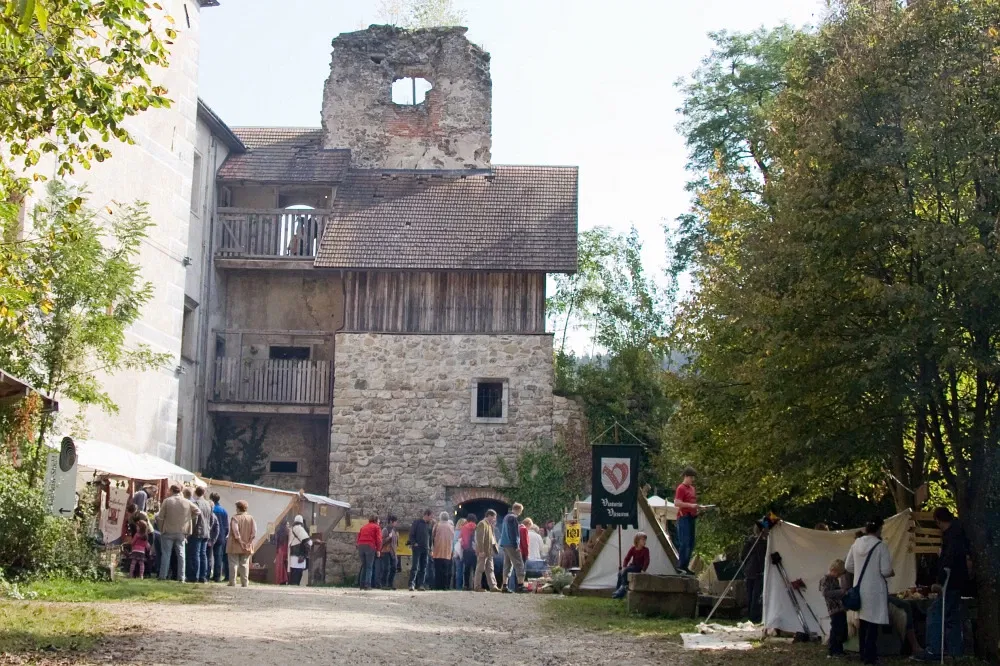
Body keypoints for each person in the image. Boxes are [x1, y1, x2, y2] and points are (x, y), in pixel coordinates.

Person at [911, 507, 969, 662]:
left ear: (937, 520)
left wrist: (941, 582)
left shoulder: (952, 537)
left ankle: (933, 650)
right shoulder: (958, 532)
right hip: (958, 581)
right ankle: (955, 651)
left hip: (950, 581)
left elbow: (948, 560)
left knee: (935, 612)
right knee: (952, 616)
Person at [844, 517, 894, 665]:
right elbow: (885, 570)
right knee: (873, 623)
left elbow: (848, 566)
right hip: (875, 589)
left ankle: (863, 654)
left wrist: (860, 571)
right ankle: (870, 656)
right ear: (879, 529)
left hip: (860, 589)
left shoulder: (856, 543)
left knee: (863, 622)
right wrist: (890, 572)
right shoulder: (880, 546)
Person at [155, 484, 200, 582]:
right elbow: (197, 511)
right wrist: (188, 519)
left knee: (166, 554)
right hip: (181, 531)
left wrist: (161, 527)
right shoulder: (187, 502)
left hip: (168, 530)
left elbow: (160, 516)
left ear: (171, 491)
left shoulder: (167, 501)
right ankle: (181, 577)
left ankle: (163, 576)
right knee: (181, 555)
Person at [674, 467, 703, 575]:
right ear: (685, 476)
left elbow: (692, 502)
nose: (692, 479)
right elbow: (677, 502)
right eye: (690, 477)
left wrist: (697, 508)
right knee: (684, 542)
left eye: (693, 477)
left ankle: (685, 565)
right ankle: (680, 565)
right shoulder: (681, 488)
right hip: (683, 517)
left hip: (692, 516)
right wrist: (691, 505)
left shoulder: (692, 489)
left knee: (691, 543)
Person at [740, 522, 769, 623]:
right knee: (755, 595)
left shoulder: (750, 541)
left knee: (752, 595)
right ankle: (754, 617)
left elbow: (743, 556)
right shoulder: (761, 543)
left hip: (750, 571)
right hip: (757, 571)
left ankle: (752, 616)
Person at [820, 558, 849, 657]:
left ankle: (839, 649)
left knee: (841, 629)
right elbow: (825, 593)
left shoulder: (835, 579)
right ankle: (833, 650)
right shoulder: (826, 579)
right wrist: (841, 592)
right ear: (834, 570)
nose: (839, 576)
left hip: (840, 607)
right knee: (836, 629)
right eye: (839, 573)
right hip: (833, 608)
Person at [226, 500, 256, 588]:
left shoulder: (235, 518)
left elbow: (235, 531)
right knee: (245, 563)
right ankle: (245, 582)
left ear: (238, 508)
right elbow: (254, 532)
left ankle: (232, 581)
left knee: (233, 563)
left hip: (235, 544)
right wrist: (249, 542)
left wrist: (240, 541)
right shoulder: (251, 518)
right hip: (247, 544)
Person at [612, 532, 650, 599]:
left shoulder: (645, 550)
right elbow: (627, 558)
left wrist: (643, 570)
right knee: (620, 573)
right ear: (637, 540)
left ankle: (624, 587)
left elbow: (647, 561)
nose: (644, 541)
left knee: (626, 570)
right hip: (633, 566)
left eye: (645, 540)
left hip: (639, 568)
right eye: (643, 540)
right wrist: (624, 566)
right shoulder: (633, 548)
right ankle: (618, 591)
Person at [499, 502, 526, 593]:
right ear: (518, 510)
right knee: (519, 564)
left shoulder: (506, 517)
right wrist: (516, 545)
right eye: (521, 511)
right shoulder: (513, 518)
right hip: (511, 544)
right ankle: (521, 586)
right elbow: (513, 533)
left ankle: (504, 586)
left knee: (507, 564)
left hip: (505, 544)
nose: (520, 513)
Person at [474, 509, 500, 591]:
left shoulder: (489, 525)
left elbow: (492, 538)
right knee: (480, 569)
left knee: (490, 569)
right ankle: (477, 587)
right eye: (493, 517)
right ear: (489, 516)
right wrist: (481, 551)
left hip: (489, 551)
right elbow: (479, 539)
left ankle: (493, 586)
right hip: (484, 551)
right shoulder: (482, 524)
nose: (494, 519)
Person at [191, 486, 213, 583]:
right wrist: (209, 528)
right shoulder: (208, 504)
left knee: (195, 554)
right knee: (203, 554)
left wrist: (191, 529)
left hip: (197, 531)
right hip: (206, 531)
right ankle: (203, 576)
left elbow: (194, 519)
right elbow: (211, 519)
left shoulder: (195, 503)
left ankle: (195, 575)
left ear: (195, 493)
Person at [408, 509, 433, 591]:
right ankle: (411, 584)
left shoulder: (429, 525)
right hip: (417, 548)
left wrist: (430, 548)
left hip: (426, 549)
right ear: (427, 515)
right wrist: (414, 543)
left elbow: (430, 537)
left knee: (423, 567)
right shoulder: (417, 522)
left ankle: (421, 585)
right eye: (431, 516)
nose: (431, 518)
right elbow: (411, 533)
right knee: (415, 566)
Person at [356, 514, 382, 591]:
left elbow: (359, 537)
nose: (379, 522)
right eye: (379, 520)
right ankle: (367, 585)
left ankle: (361, 584)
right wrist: (378, 550)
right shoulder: (377, 527)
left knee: (364, 565)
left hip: (361, 546)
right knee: (369, 566)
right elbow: (379, 540)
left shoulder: (363, 527)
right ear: (376, 520)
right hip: (370, 546)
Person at [432, 511, 455, 591]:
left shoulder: (437, 525)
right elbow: (453, 538)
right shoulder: (451, 527)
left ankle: (438, 586)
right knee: (446, 571)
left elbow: (433, 535)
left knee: (438, 571)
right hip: (447, 551)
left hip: (437, 551)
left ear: (440, 517)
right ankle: (446, 586)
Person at [210, 492, 229, 582]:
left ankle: (206, 574)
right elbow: (226, 526)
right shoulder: (223, 510)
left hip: (211, 535)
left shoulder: (212, 509)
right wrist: (224, 535)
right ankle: (217, 576)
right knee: (218, 557)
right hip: (221, 536)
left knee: (208, 556)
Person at [289, 515, 311, 586]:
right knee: (297, 573)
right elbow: (307, 541)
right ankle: (295, 585)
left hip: (293, 554)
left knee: (294, 572)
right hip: (299, 554)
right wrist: (312, 542)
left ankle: (293, 585)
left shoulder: (292, 528)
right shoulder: (299, 528)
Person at [378, 515, 399, 590]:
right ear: (391, 522)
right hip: (386, 551)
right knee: (386, 568)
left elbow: (395, 543)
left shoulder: (394, 530)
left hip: (393, 552)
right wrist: (389, 537)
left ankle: (390, 584)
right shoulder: (385, 530)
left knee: (394, 568)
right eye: (395, 522)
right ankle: (384, 584)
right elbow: (382, 541)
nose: (396, 523)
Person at [459, 514, 478, 590]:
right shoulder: (476, 527)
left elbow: (460, 538)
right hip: (475, 550)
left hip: (466, 550)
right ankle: (475, 585)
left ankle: (466, 585)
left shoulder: (464, 527)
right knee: (475, 568)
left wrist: (463, 546)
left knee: (466, 569)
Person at [274, 521, 290, 585]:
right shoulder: (287, 533)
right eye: (287, 524)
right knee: (285, 566)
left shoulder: (278, 532)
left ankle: (281, 580)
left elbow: (277, 543)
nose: (288, 526)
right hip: (285, 549)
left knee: (280, 566)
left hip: (280, 550)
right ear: (285, 525)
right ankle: (285, 580)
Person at [453, 518, 467, 590]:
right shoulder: (462, 532)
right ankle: (461, 586)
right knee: (462, 571)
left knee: (458, 571)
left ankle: (458, 587)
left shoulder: (455, 532)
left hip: (455, 553)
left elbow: (453, 544)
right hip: (461, 553)